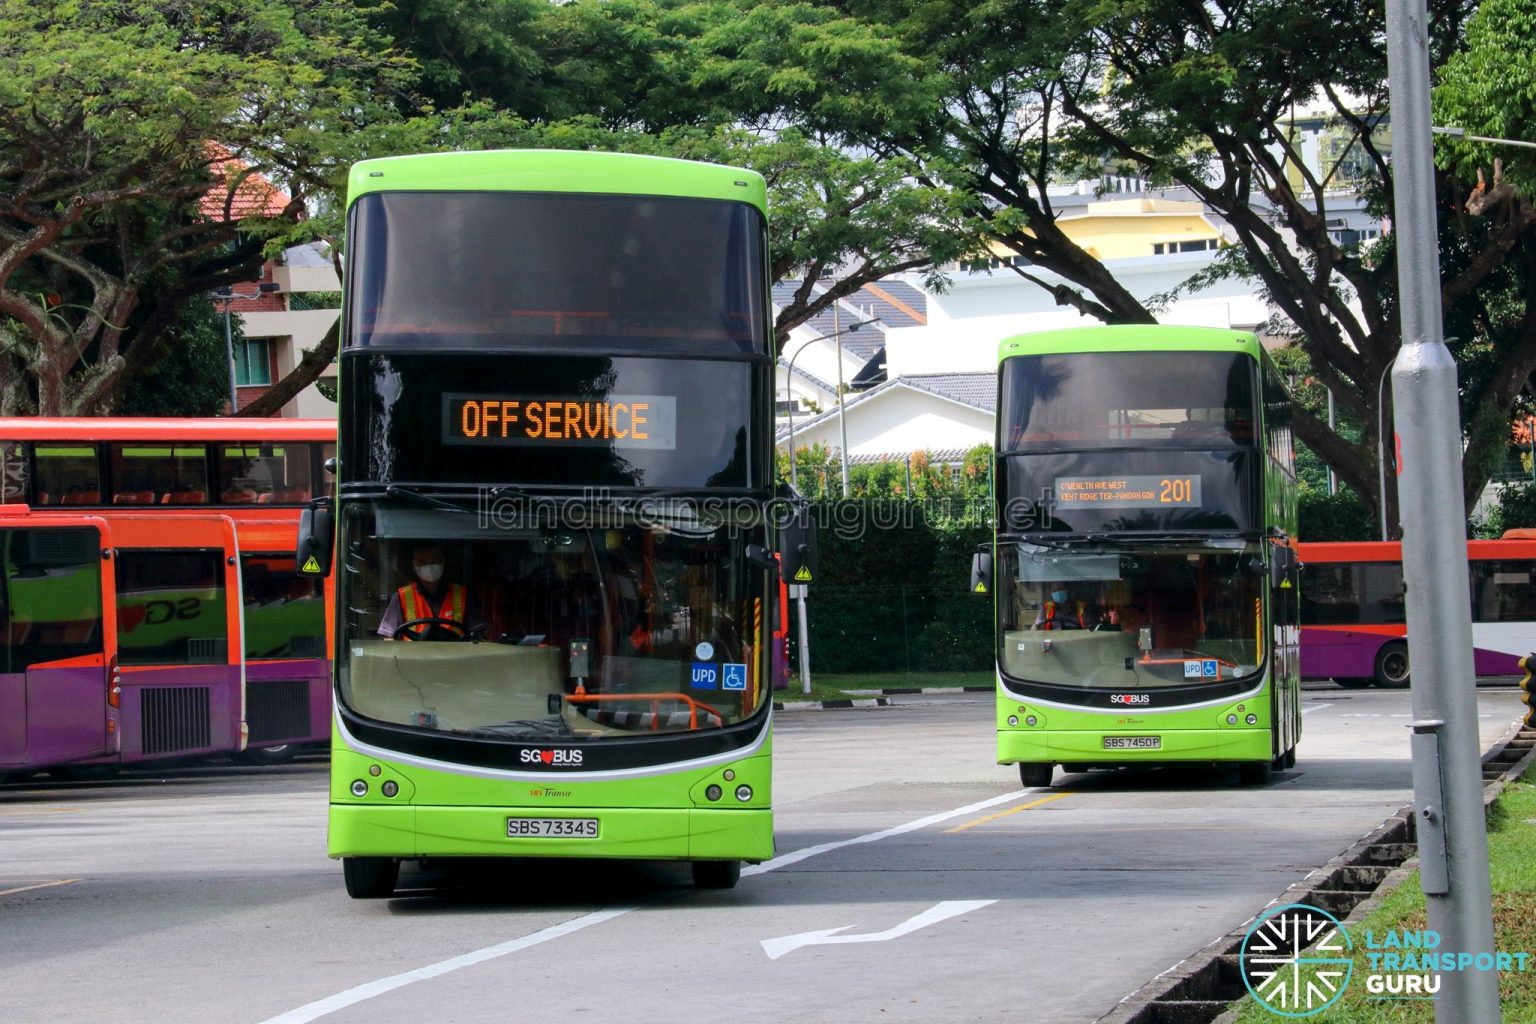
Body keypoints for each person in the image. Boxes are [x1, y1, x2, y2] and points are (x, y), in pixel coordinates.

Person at [377, 542, 486, 641]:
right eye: (423, 562)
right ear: (414, 566)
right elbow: (389, 639)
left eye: (434, 561)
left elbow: (478, 637)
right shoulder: (401, 597)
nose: (429, 566)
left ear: (443, 561)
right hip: (414, 660)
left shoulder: (462, 595)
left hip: (454, 660)